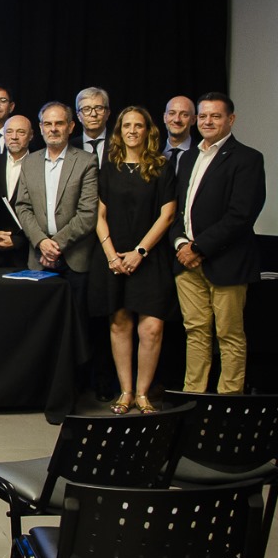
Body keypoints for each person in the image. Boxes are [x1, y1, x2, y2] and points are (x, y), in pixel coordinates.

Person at [170, 92, 266, 395]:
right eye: (202, 116)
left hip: (227, 262)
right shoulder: (188, 157)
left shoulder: (248, 158)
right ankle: (193, 400)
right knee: (196, 333)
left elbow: (241, 215)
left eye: (215, 116)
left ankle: (229, 405)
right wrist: (180, 244)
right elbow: (179, 209)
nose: (207, 121)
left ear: (231, 120)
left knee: (229, 335)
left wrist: (198, 248)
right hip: (186, 263)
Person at [90, 106, 177, 415]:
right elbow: (98, 214)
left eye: (138, 125)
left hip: (149, 257)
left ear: (147, 131)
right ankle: (125, 392)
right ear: (119, 131)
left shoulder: (162, 167)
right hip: (113, 257)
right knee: (120, 323)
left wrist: (140, 252)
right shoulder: (108, 167)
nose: (132, 130)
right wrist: (111, 253)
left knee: (151, 327)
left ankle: (143, 394)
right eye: (126, 125)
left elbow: (167, 215)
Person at [14, 101, 99, 321]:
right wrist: (42, 242)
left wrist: (56, 244)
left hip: (75, 259)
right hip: (38, 259)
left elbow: (88, 214)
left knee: (77, 326)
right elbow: (22, 207)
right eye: (47, 123)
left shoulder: (87, 162)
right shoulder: (29, 162)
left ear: (71, 127)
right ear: (40, 128)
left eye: (59, 123)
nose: (53, 128)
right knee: (39, 326)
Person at [0, 114, 33, 267]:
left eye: (21, 132)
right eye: (9, 132)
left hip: (27, 254)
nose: (14, 137)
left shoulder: (39, 165)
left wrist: (19, 241)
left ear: (31, 135)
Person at [71, 86, 111, 161]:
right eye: (86, 109)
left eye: (99, 108)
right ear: (78, 116)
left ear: (108, 113)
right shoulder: (70, 147)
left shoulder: (119, 144)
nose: (93, 114)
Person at [162, 95, 195, 175]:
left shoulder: (202, 154)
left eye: (184, 115)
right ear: (164, 118)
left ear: (193, 120)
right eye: (172, 113)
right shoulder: (153, 153)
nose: (177, 119)